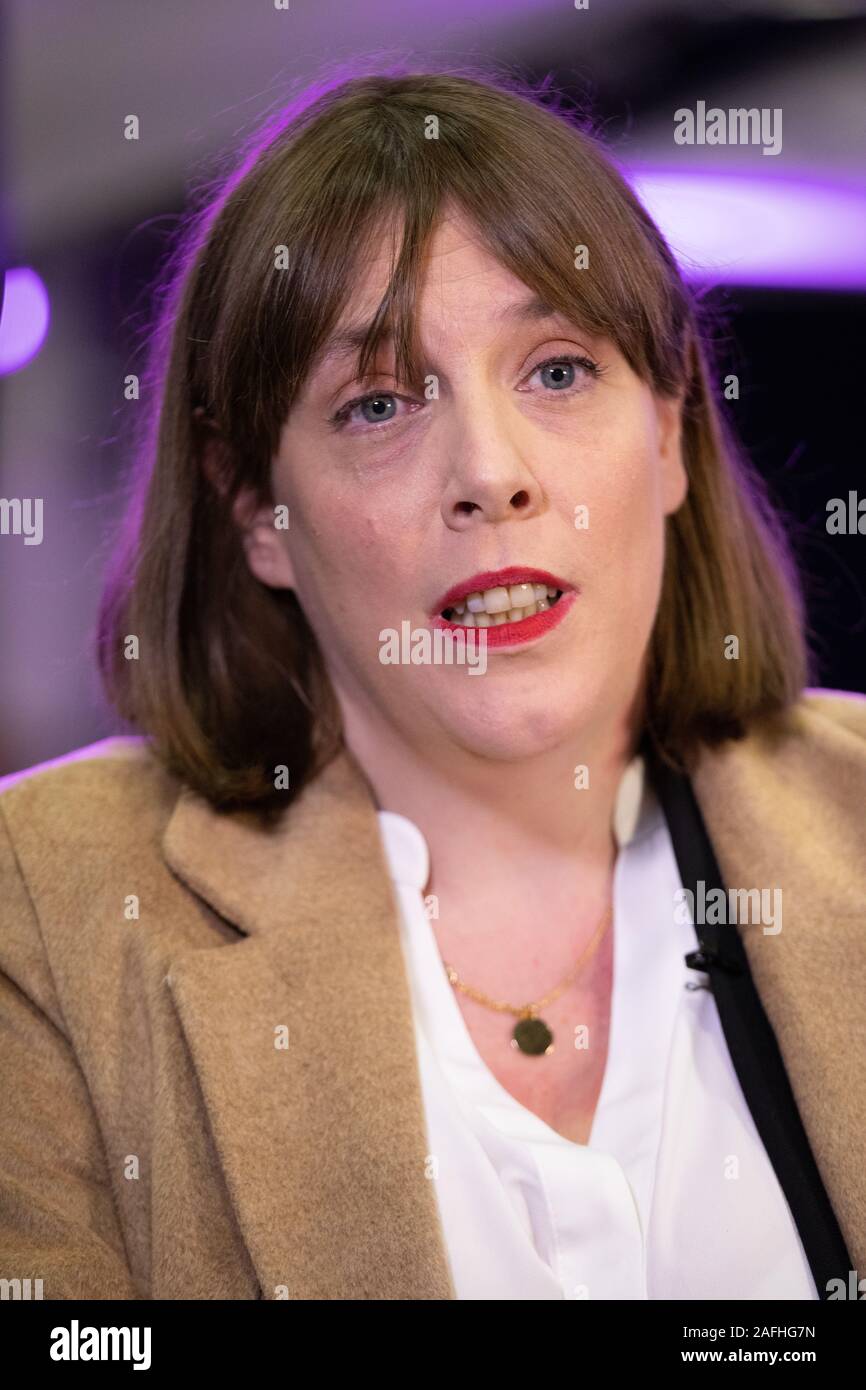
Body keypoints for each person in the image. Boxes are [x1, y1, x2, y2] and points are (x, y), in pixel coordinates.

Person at [0, 67, 864, 1302]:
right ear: (257, 512)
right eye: (379, 402)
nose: (489, 473)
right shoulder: (39, 905)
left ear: (668, 433)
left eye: (557, 371)